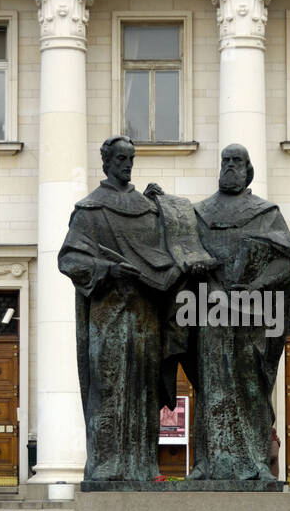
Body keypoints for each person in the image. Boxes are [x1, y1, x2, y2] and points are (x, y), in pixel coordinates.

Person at [58, 135, 214, 481]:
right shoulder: (90, 210)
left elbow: (168, 247)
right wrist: (108, 269)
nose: (126, 165)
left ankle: (143, 466)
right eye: (120, 159)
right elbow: (70, 259)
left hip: (147, 316)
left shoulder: (146, 209)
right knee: (111, 389)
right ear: (106, 162)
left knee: (144, 393)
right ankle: (107, 467)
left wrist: (166, 212)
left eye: (131, 158)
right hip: (110, 315)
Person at [184, 144, 290, 480]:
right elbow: (181, 251)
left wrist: (257, 287)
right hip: (209, 314)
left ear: (249, 169)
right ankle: (206, 464)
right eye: (226, 161)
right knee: (211, 386)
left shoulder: (265, 213)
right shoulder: (199, 213)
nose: (231, 166)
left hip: (252, 316)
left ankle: (255, 465)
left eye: (238, 161)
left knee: (252, 387)